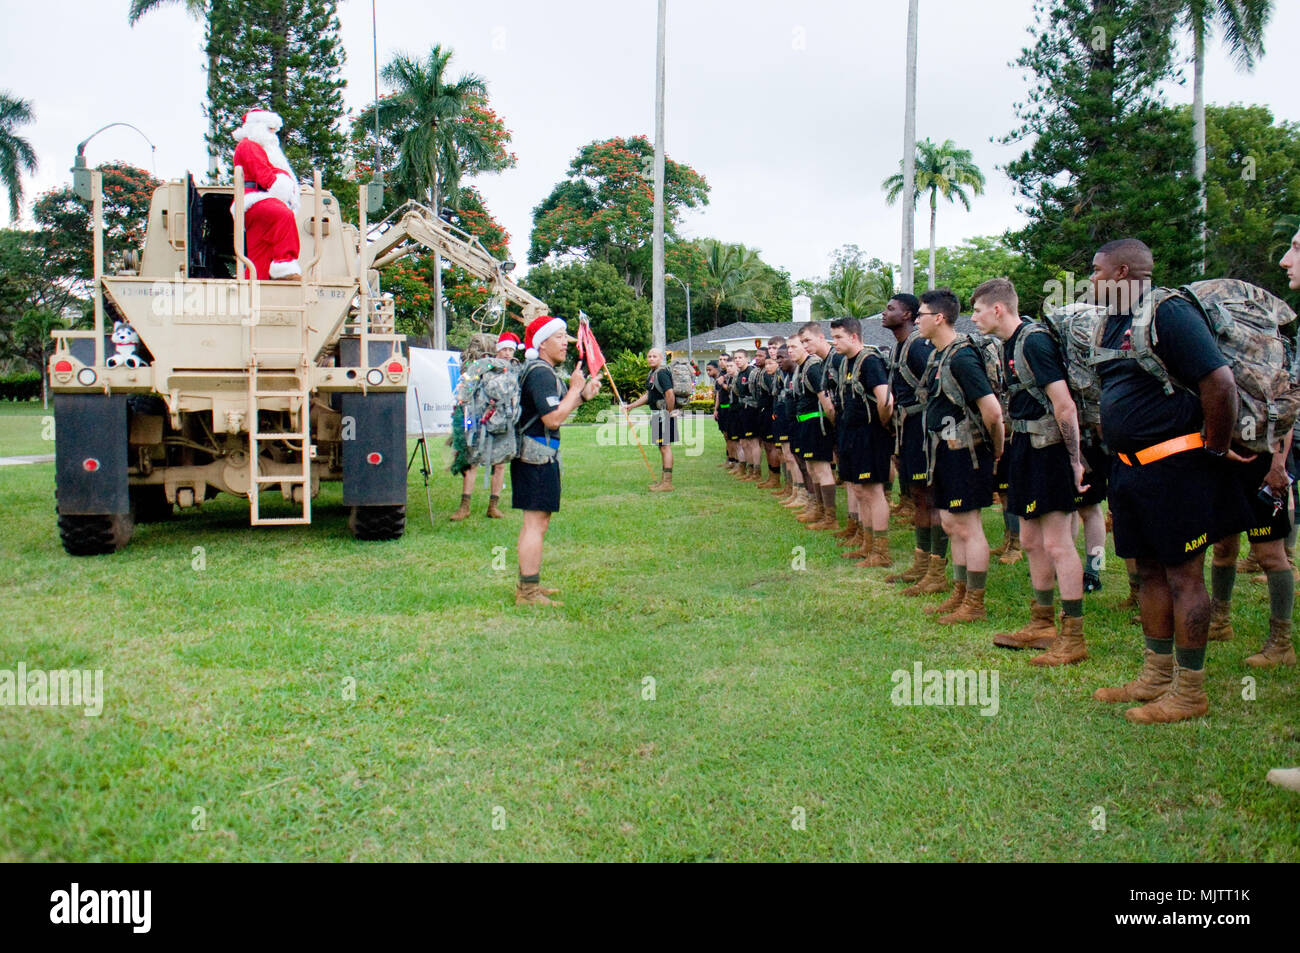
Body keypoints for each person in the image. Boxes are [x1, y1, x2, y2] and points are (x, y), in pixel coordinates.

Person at [1088, 238, 1249, 723]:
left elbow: (1219, 382)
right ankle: (1156, 675)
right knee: (1148, 572)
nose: (1090, 280)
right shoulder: (1113, 322)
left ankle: (1190, 690)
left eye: (1095, 271)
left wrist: (1214, 452)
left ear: (1121, 272)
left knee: (1183, 577)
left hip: (1176, 468)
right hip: (1132, 470)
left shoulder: (1169, 312)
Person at [972, 279, 1090, 664]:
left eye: (977, 310)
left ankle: (1073, 636)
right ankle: (1041, 623)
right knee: (1030, 541)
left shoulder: (1034, 341)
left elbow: (1065, 405)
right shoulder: (1008, 344)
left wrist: (1074, 460)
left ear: (998, 309)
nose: (973, 317)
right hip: (1024, 447)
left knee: (1058, 543)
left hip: (1050, 451)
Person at [916, 288, 1005, 624]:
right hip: (944, 450)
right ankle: (960, 591)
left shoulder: (962, 357)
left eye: (921, 315)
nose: (917, 322)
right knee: (952, 523)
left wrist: (996, 450)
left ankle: (975, 602)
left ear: (939, 318)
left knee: (967, 525)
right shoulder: (938, 354)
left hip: (966, 451)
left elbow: (992, 412)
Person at [512, 315, 601, 606]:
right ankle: (527, 593)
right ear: (542, 343)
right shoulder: (539, 373)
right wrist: (575, 388)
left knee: (539, 522)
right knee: (535, 524)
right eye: (560, 336)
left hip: (539, 455)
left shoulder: (543, 371)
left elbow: (561, 407)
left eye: (566, 336)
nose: (566, 342)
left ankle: (530, 583)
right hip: (536, 456)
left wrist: (583, 394)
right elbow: (553, 419)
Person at [882, 293, 950, 592]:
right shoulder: (899, 347)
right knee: (919, 497)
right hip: (908, 429)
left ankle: (937, 570)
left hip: (924, 430)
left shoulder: (919, 348)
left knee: (932, 498)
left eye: (891, 309)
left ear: (908, 314)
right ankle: (922, 563)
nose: (884, 314)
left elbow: (939, 385)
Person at [828, 317, 895, 566]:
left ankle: (881, 551)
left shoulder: (870, 362)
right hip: (851, 435)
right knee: (858, 490)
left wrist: (882, 425)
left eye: (838, 337)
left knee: (873, 492)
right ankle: (867, 544)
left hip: (869, 436)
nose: (833, 342)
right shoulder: (847, 363)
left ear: (854, 337)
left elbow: (885, 400)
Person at [449, 332, 517, 521]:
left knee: (500, 465)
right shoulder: (482, 367)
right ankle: (465, 507)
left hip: (504, 423)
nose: (507, 353)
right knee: (472, 463)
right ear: (497, 349)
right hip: (480, 422)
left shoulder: (514, 370)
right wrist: (464, 411)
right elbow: (466, 389)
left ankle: (493, 506)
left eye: (510, 349)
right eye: (504, 349)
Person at [231, 109, 301, 281]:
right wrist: (281, 186)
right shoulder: (249, 145)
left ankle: (254, 285)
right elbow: (263, 173)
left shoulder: (258, 147)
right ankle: (285, 265)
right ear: (257, 127)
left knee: (259, 253)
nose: (273, 134)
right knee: (283, 215)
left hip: (256, 200)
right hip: (254, 197)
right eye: (270, 129)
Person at [792, 324, 840, 531]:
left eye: (803, 343)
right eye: (798, 343)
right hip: (806, 423)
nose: (800, 347)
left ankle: (830, 516)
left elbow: (825, 399)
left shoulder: (813, 367)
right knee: (812, 467)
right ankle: (818, 509)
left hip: (817, 423)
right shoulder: (803, 367)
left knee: (821, 468)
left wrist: (834, 425)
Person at [624, 347, 679, 491]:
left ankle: (667, 483)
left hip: (664, 415)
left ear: (661, 358)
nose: (651, 358)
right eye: (649, 356)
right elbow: (649, 395)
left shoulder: (662, 373)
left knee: (665, 447)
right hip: (656, 415)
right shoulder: (652, 374)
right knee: (661, 447)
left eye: (654, 356)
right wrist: (632, 406)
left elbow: (670, 393)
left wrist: (669, 412)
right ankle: (663, 481)